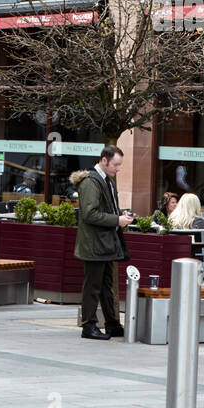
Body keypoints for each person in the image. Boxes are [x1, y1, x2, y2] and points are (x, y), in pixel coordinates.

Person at [75, 145, 134, 341]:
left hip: (105, 242)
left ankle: (112, 323)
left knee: (107, 284)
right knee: (93, 285)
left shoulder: (106, 181)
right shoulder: (92, 182)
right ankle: (89, 325)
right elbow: (89, 214)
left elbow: (106, 210)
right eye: (116, 165)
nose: (119, 169)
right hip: (95, 244)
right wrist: (117, 220)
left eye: (120, 165)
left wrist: (120, 215)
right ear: (104, 160)